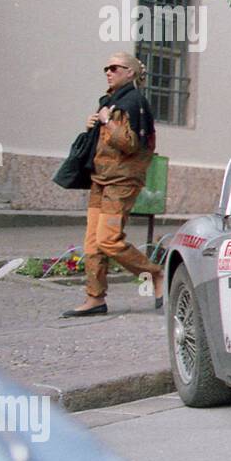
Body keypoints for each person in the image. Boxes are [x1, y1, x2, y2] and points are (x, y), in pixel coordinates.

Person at [62, 52, 165, 317]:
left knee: (108, 239)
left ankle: (155, 274)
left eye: (115, 68)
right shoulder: (109, 102)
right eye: (106, 68)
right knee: (92, 243)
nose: (108, 71)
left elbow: (130, 144)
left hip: (121, 181)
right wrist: (93, 126)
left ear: (130, 72)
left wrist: (107, 121)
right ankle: (95, 298)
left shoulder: (134, 102)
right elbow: (104, 142)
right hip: (101, 179)